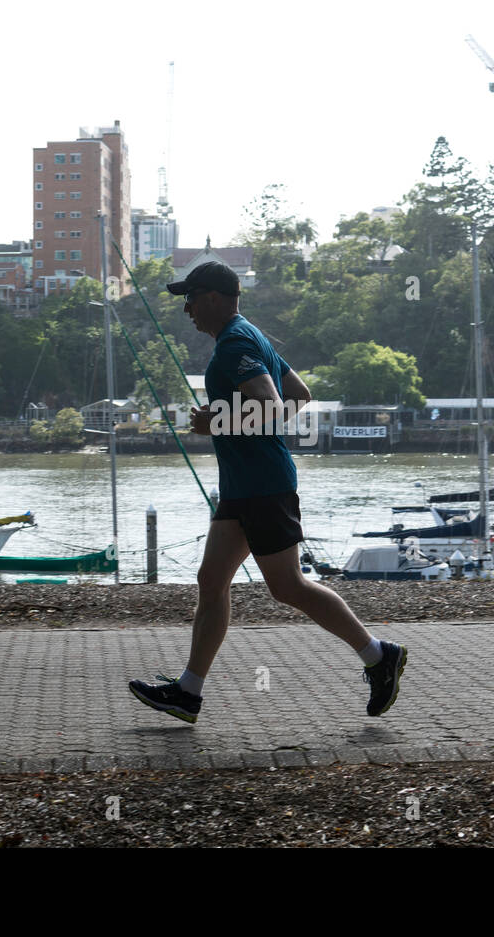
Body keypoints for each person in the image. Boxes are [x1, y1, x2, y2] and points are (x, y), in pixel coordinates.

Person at [128, 260, 406, 723]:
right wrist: (235, 421)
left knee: (288, 586)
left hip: (264, 486)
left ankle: (379, 656)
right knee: (211, 581)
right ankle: (188, 692)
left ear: (213, 298)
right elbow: (301, 394)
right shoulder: (250, 335)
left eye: (190, 299)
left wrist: (216, 421)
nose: (187, 310)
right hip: (243, 487)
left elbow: (274, 407)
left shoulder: (236, 343)